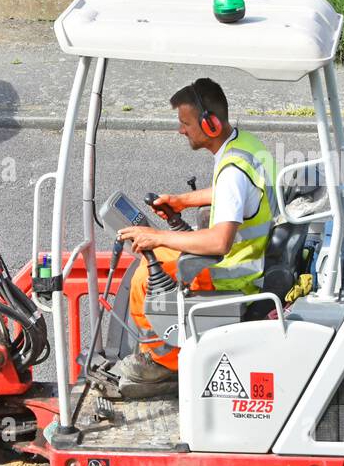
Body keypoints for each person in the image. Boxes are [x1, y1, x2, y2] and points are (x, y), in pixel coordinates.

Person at [111, 78, 274, 397]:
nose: (181, 130)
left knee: (145, 278)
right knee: (159, 259)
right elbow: (240, 194)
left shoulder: (232, 171)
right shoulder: (247, 147)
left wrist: (157, 236)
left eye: (185, 123)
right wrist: (183, 201)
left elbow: (218, 243)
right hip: (258, 260)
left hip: (234, 275)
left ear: (210, 124)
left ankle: (164, 366)